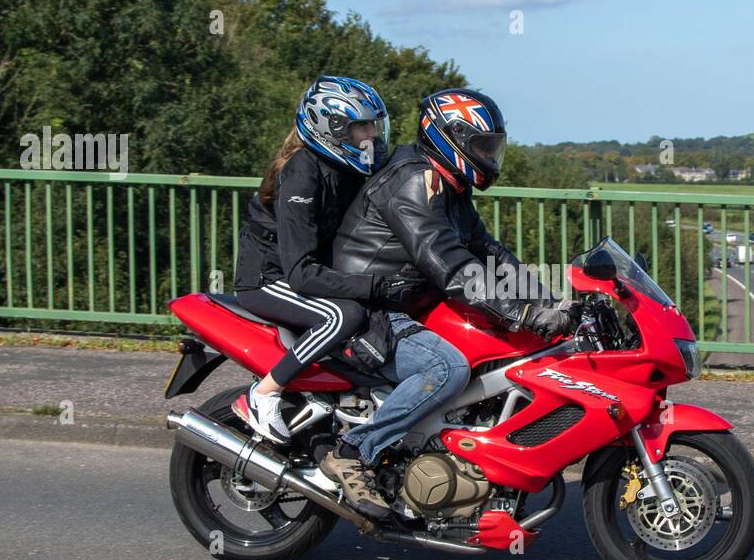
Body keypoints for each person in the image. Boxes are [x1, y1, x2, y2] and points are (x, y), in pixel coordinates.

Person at [323, 88, 576, 517]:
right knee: (448, 367)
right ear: (448, 137)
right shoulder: (412, 183)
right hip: (371, 310)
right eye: (481, 145)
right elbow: (453, 268)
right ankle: (354, 451)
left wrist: (553, 301)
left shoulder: (450, 186)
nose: (488, 155)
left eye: (491, 146)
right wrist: (525, 314)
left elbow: (489, 254)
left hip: (409, 304)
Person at [231, 75, 423, 444]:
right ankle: (265, 393)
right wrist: (376, 284)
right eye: (361, 127)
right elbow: (301, 274)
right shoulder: (302, 174)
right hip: (270, 279)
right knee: (344, 315)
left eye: (373, 124)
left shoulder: (350, 167)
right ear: (331, 128)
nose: (371, 135)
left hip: (306, 271)